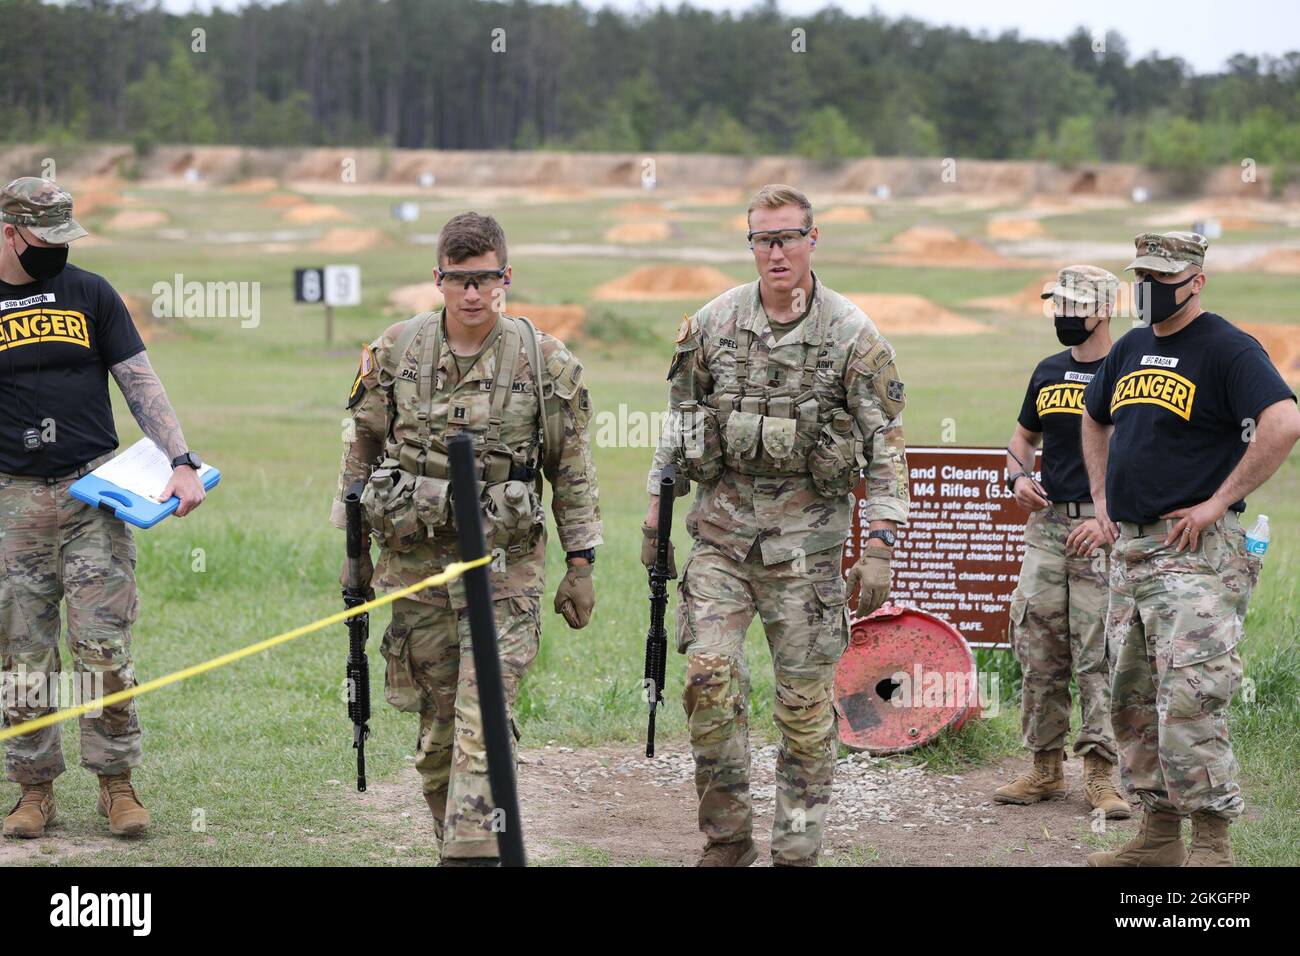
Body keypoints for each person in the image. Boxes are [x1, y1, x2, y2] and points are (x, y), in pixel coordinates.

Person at [644, 184, 909, 867]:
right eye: (763, 238)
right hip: (722, 544)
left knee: (803, 710)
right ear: (751, 245)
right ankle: (727, 842)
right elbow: (677, 427)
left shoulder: (851, 333)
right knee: (708, 681)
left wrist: (879, 545)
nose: (776, 250)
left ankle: (796, 849)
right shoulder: (712, 324)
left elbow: (886, 447)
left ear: (813, 240)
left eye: (789, 236)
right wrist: (655, 512)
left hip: (807, 556)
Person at [334, 212, 601, 865]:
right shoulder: (396, 351)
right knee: (436, 736)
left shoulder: (545, 362)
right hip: (415, 569)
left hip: (505, 573)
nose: (474, 294)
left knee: (483, 721)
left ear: (506, 278)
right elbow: (359, 452)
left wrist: (582, 562)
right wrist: (354, 556)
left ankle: (471, 854)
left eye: (485, 279)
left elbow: (572, 468)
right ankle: (461, 840)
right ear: (438, 280)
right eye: (460, 280)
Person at [1082, 232, 1300, 867]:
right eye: (1141, 275)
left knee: (1192, 696)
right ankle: (1157, 837)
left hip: (1196, 555)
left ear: (1196, 280)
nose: (1148, 288)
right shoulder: (1129, 346)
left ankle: (1210, 846)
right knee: (1130, 698)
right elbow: (1094, 416)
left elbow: (1283, 421)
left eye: (1162, 276)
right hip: (1131, 552)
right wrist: (1099, 495)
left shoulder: (1228, 348)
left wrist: (1215, 502)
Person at [0, 177, 207, 839]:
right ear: (10, 231)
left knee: (102, 652)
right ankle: (33, 792)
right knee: (21, 661)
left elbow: (140, 381)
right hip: (13, 501)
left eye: (66, 237)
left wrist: (180, 461)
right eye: (44, 238)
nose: (56, 250)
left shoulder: (92, 293)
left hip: (95, 494)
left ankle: (116, 785)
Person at [994, 265, 1129, 820]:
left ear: (1103, 310)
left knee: (1099, 654)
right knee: (1039, 649)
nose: (1064, 316)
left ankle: (1102, 775)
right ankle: (1045, 769)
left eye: (1074, 306)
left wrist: (1109, 519)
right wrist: (1017, 477)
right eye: (1058, 306)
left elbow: (1146, 458)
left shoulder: (1130, 370)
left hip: (1105, 531)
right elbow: (1021, 438)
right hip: (1049, 528)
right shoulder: (1048, 371)